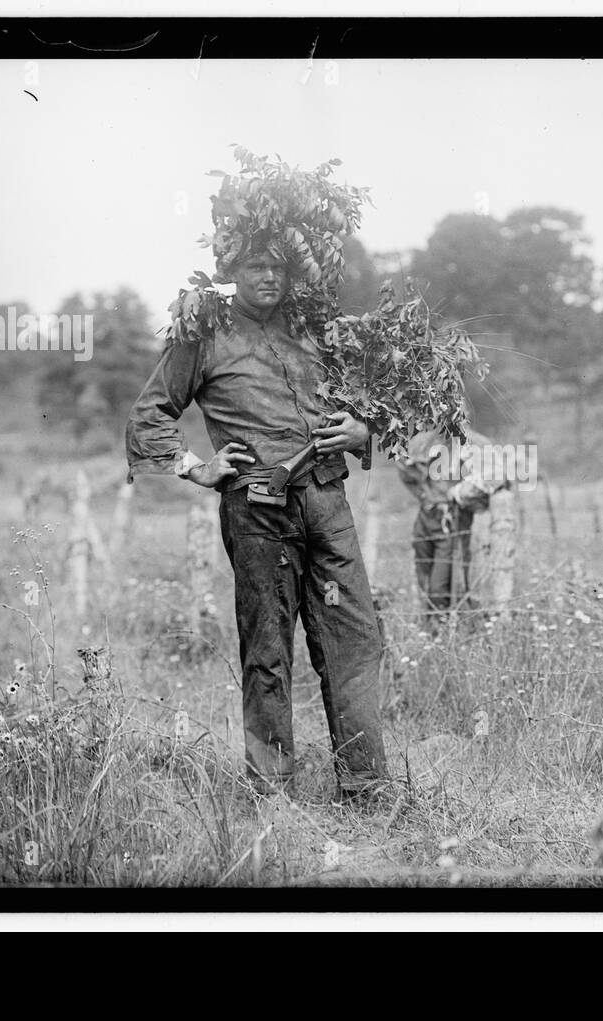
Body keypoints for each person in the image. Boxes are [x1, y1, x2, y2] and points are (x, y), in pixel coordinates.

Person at [125, 244, 387, 802]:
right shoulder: (203, 333)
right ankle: (272, 798)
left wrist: (363, 430)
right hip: (257, 511)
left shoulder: (316, 328)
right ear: (230, 273)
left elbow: (371, 401)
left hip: (327, 503)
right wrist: (198, 468)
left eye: (278, 266)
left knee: (356, 642)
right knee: (267, 650)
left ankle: (368, 792)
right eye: (254, 267)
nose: (269, 277)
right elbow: (149, 416)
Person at [397, 428, 506, 617]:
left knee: (444, 586)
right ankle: (431, 625)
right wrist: (426, 496)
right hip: (426, 517)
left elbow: (493, 477)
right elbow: (404, 467)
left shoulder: (474, 443)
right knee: (424, 577)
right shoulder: (420, 442)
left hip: (453, 518)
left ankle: (450, 624)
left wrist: (458, 494)